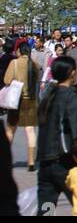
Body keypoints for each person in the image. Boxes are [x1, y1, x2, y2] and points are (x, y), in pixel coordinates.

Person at [37, 56, 77, 215]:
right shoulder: (70, 97)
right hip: (65, 162)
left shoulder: (47, 96)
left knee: (46, 209)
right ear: (72, 73)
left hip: (45, 163)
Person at [4, 41, 40, 172]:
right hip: (31, 100)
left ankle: (5, 160)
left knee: (10, 131)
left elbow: (7, 81)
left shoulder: (14, 63)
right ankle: (31, 161)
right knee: (30, 131)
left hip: (16, 101)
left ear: (19, 50)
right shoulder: (35, 63)